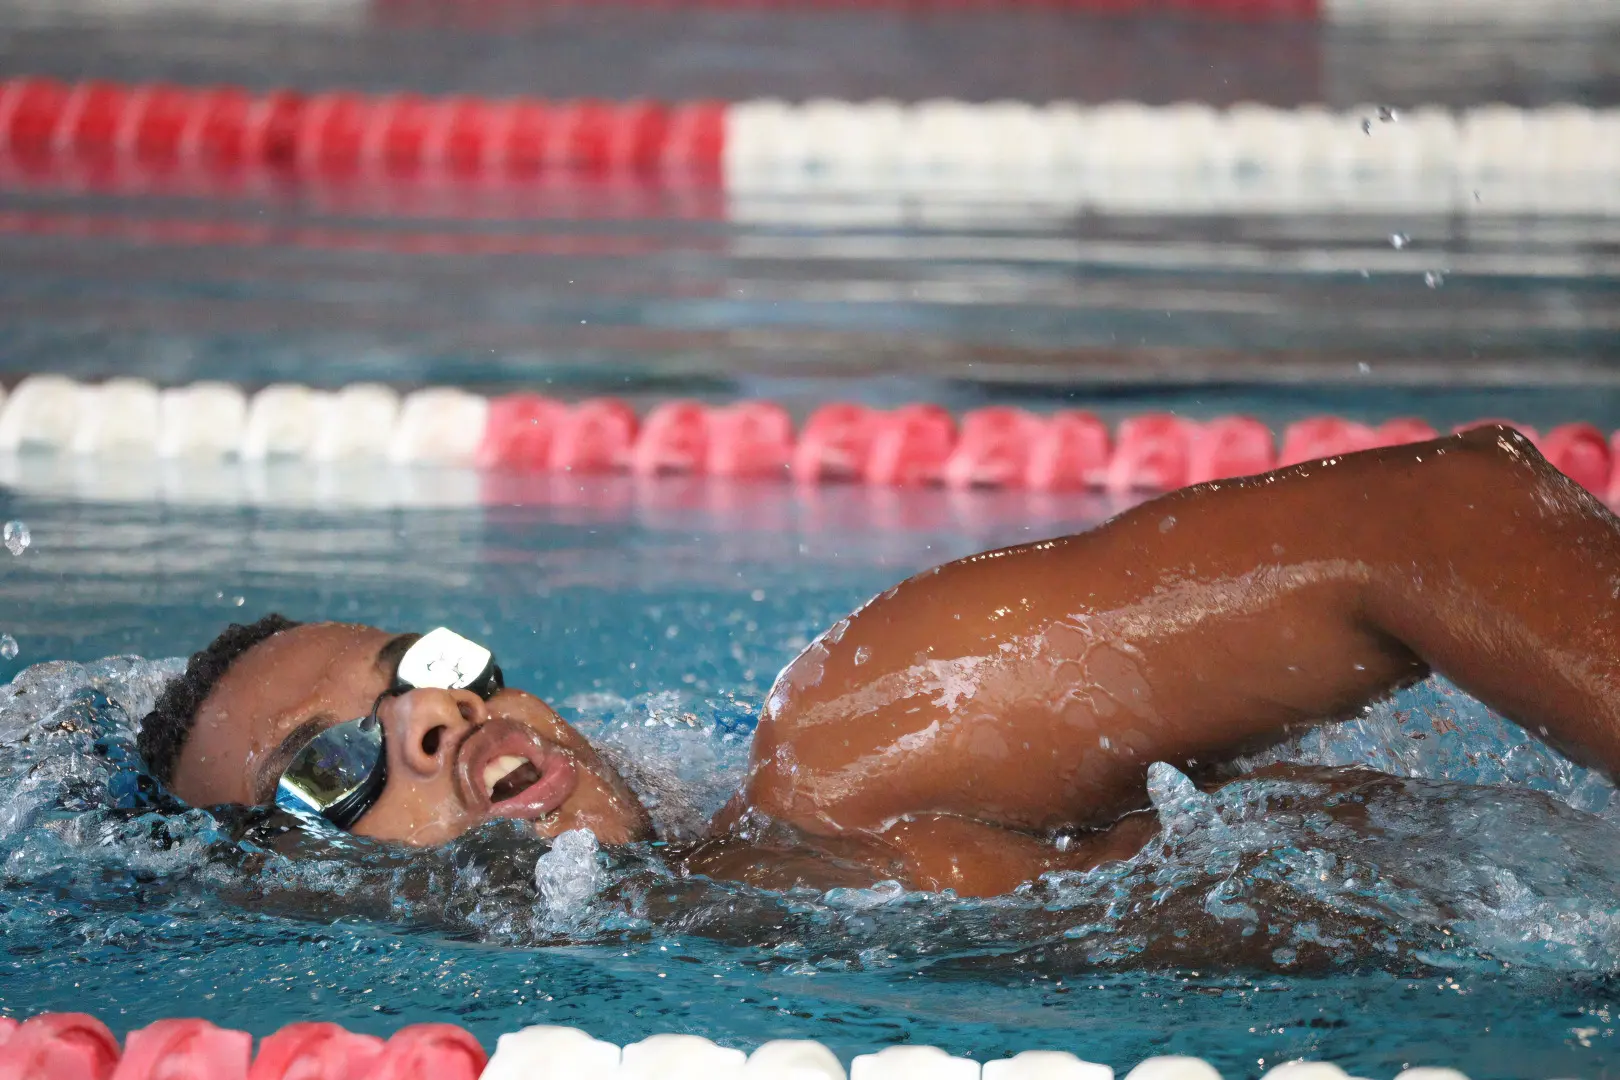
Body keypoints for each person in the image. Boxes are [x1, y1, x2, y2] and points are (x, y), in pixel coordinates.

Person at [136, 425, 1620, 898]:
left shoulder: (852, 748)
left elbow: (1436, 518)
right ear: (282, 885)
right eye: (332, 767)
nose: (432, 720)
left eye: (429, 665)